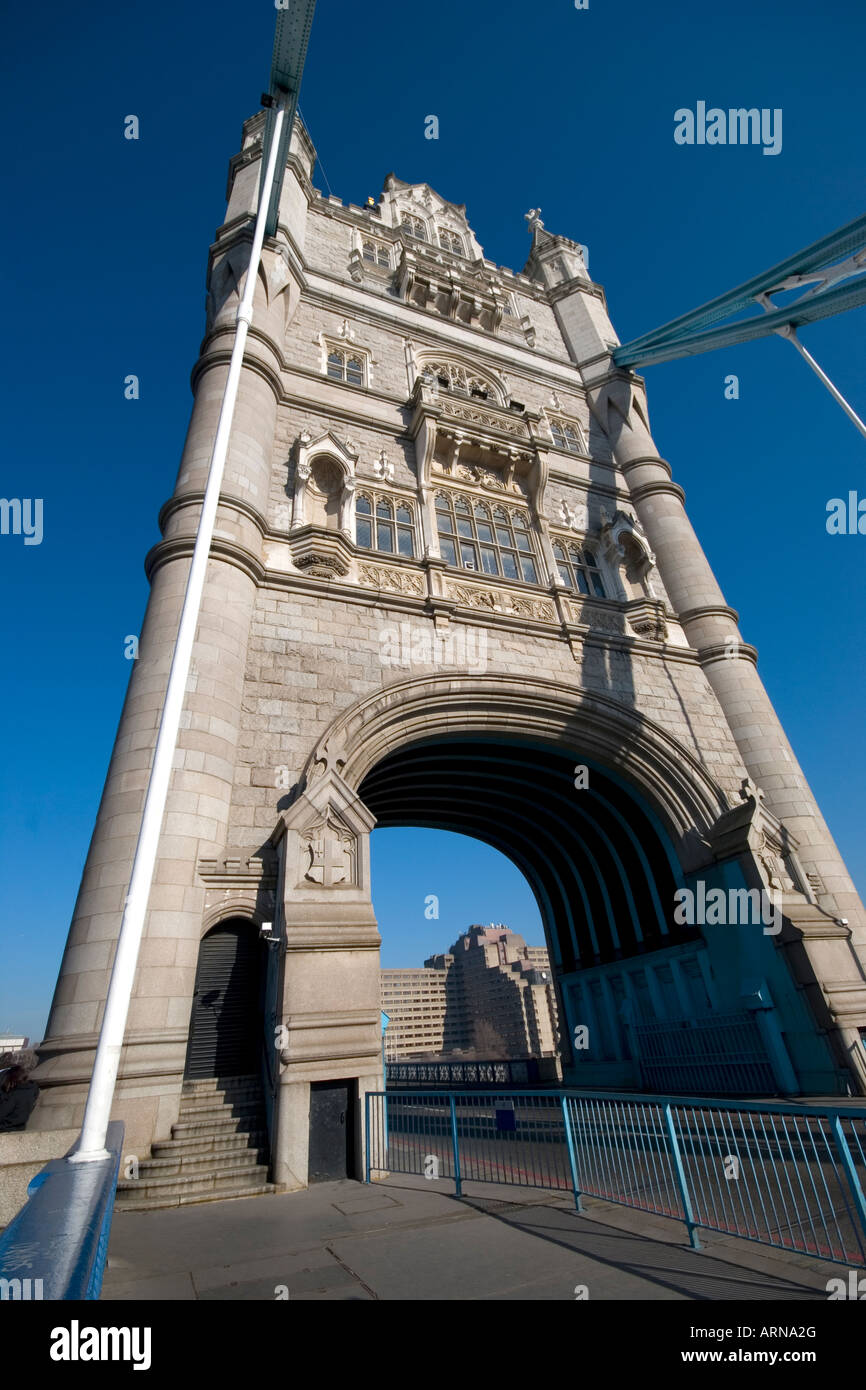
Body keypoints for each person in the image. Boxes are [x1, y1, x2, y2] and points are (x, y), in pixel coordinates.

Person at [0, 1065, 38, 1131]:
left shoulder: (15, 1095)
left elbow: (2, 1113)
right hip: (20, 1127)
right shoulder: (31, 1090)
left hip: (6, 1127)